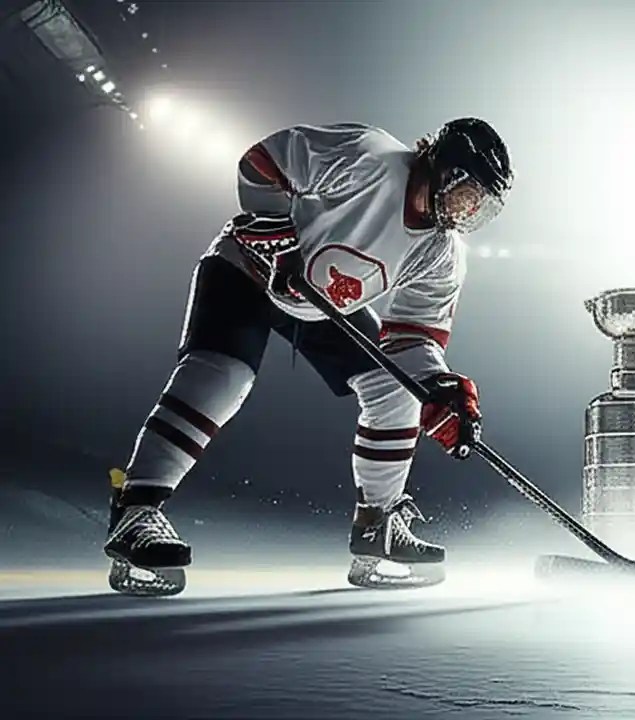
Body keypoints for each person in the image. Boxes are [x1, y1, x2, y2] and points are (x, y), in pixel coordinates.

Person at [104, 118, 513, 595]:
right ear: (441, 165)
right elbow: (262, 162)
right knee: (222, 377)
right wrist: (278, 238)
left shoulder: (443, 255)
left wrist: (439, 390)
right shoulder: (368, 156)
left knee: (398, 388)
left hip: (322, 305)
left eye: (479, 204)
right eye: (465, 190)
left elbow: (413, 342)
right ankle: (136, 509)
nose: (467, 209)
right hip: (249, 271)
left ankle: (376, 523)